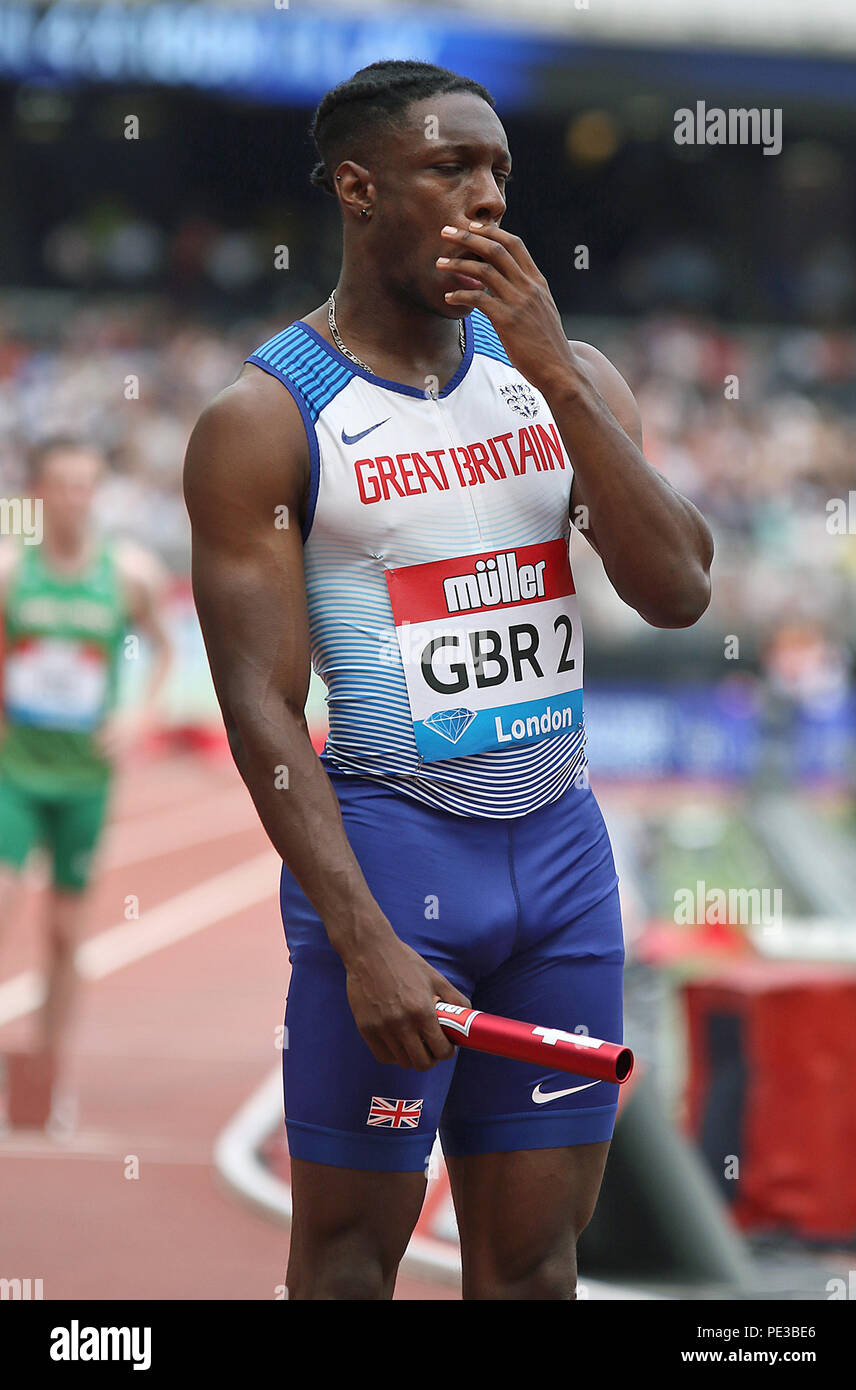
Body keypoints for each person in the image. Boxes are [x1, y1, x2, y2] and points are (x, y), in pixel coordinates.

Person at [184, 60, 713, 1300]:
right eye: (449, 168)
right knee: (347, 1263)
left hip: (562, 860)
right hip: (393, 854)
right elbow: (259, 707)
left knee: (532, 1267)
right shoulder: (266, 418)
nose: (487, 197)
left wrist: (557, 377)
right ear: (358, 188)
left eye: (498, 173)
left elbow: (678, 589)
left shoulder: (565, 375)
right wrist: (359, 935)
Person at [0, 436, 173, 1126]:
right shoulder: (11, 570)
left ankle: (46, 1079)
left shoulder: (127, 573)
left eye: (86, 485)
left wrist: (138, 716)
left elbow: (163, 648)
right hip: (15, 772)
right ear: (38, 494)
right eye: (63, 485)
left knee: (66, 936)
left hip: (85, 778)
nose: (76, 498)